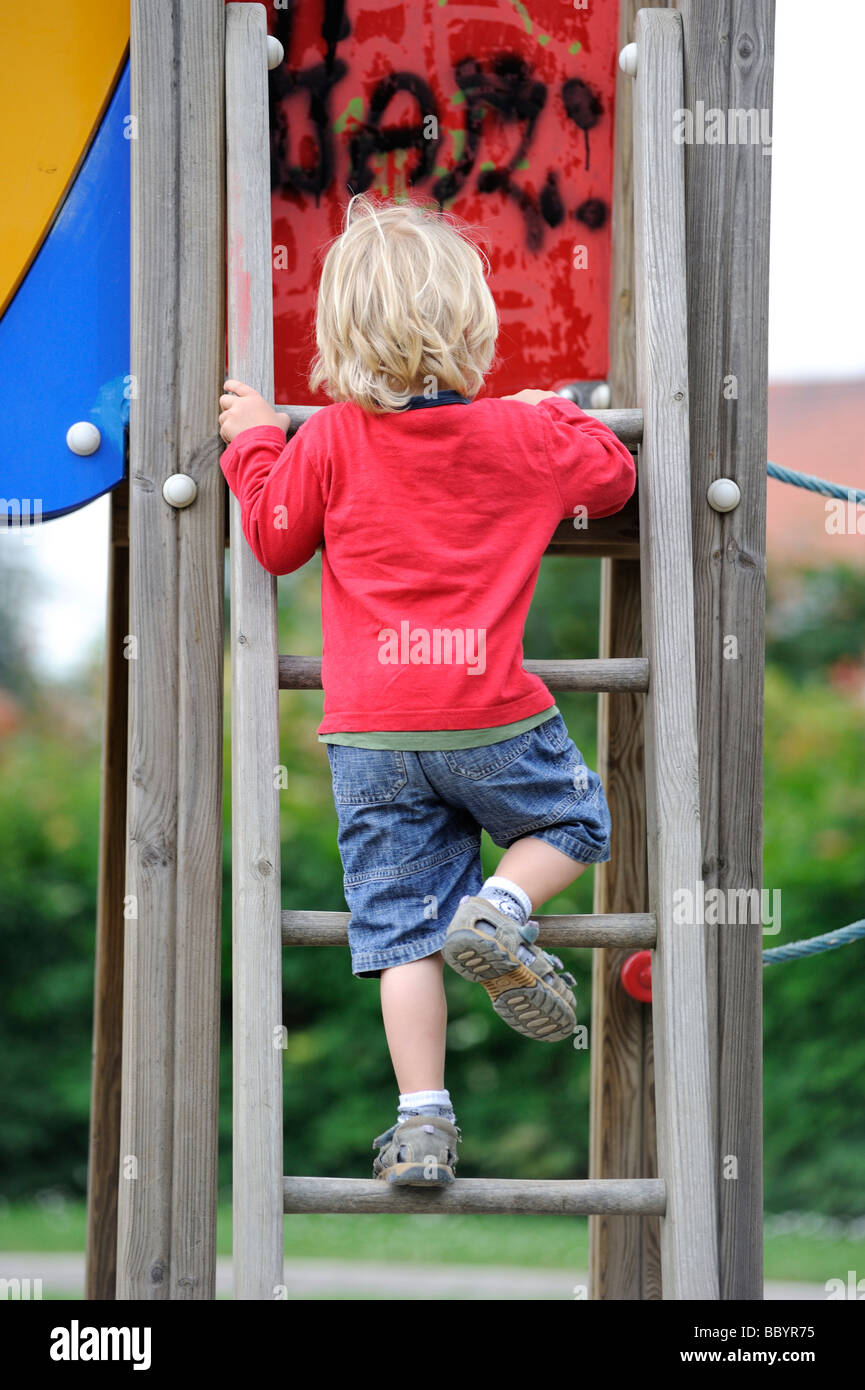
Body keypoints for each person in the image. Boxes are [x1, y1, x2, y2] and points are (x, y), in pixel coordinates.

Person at [217, 192, 636, 1188]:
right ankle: (498, 904)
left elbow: (275, 537)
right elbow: (614, 481)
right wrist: (555, 413)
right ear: (475, 328)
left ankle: (419, 1124)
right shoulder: (519, 436)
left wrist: (256, 439)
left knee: (401, 926)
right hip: (489, 712)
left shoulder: (325, 443)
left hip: (368, 735)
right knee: (576, 820)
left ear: (335, 339)